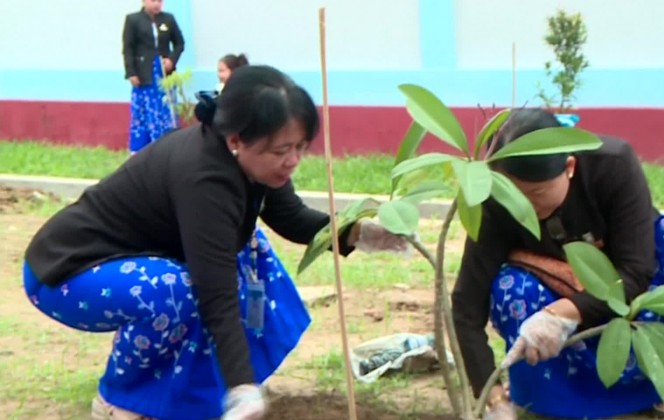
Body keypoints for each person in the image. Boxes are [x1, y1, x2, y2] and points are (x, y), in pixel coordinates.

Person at [22, 65, 409, 420]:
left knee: (253, 255)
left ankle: (196, 390)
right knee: (176, 292)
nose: (293, 161)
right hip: (68, 273)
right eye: (281, 150)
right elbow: (215, 292)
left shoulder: (252, 161)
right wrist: (242, 388)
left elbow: (290, 216)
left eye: (300, 147)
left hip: (137, 262)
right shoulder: (204, 180)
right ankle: (117, 400)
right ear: (238, 139)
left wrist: (362, 233)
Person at [451, 109, 664, 419]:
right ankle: (554, 401)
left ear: (569, 167)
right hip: (557, 324)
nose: (525, 206)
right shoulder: (495, 200)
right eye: (515, 196)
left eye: (537, 193)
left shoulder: (613, 164)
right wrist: (493, 398)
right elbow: (465, 305)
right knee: (509, 287)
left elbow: (634, 272)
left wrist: (560, 314)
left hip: (630, 306)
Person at [122, 0, 185, 155]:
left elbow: (179, 43)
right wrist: (131, 72)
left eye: (159, 1)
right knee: (143, 113)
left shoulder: (168, 19)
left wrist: (171, 60)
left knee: (165, 110)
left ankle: (165, 148)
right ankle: (139, 150)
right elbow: (128, 48)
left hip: (163, 75)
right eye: (152, 0)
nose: (157, 4)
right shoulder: (133, 20)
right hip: (144, 74)